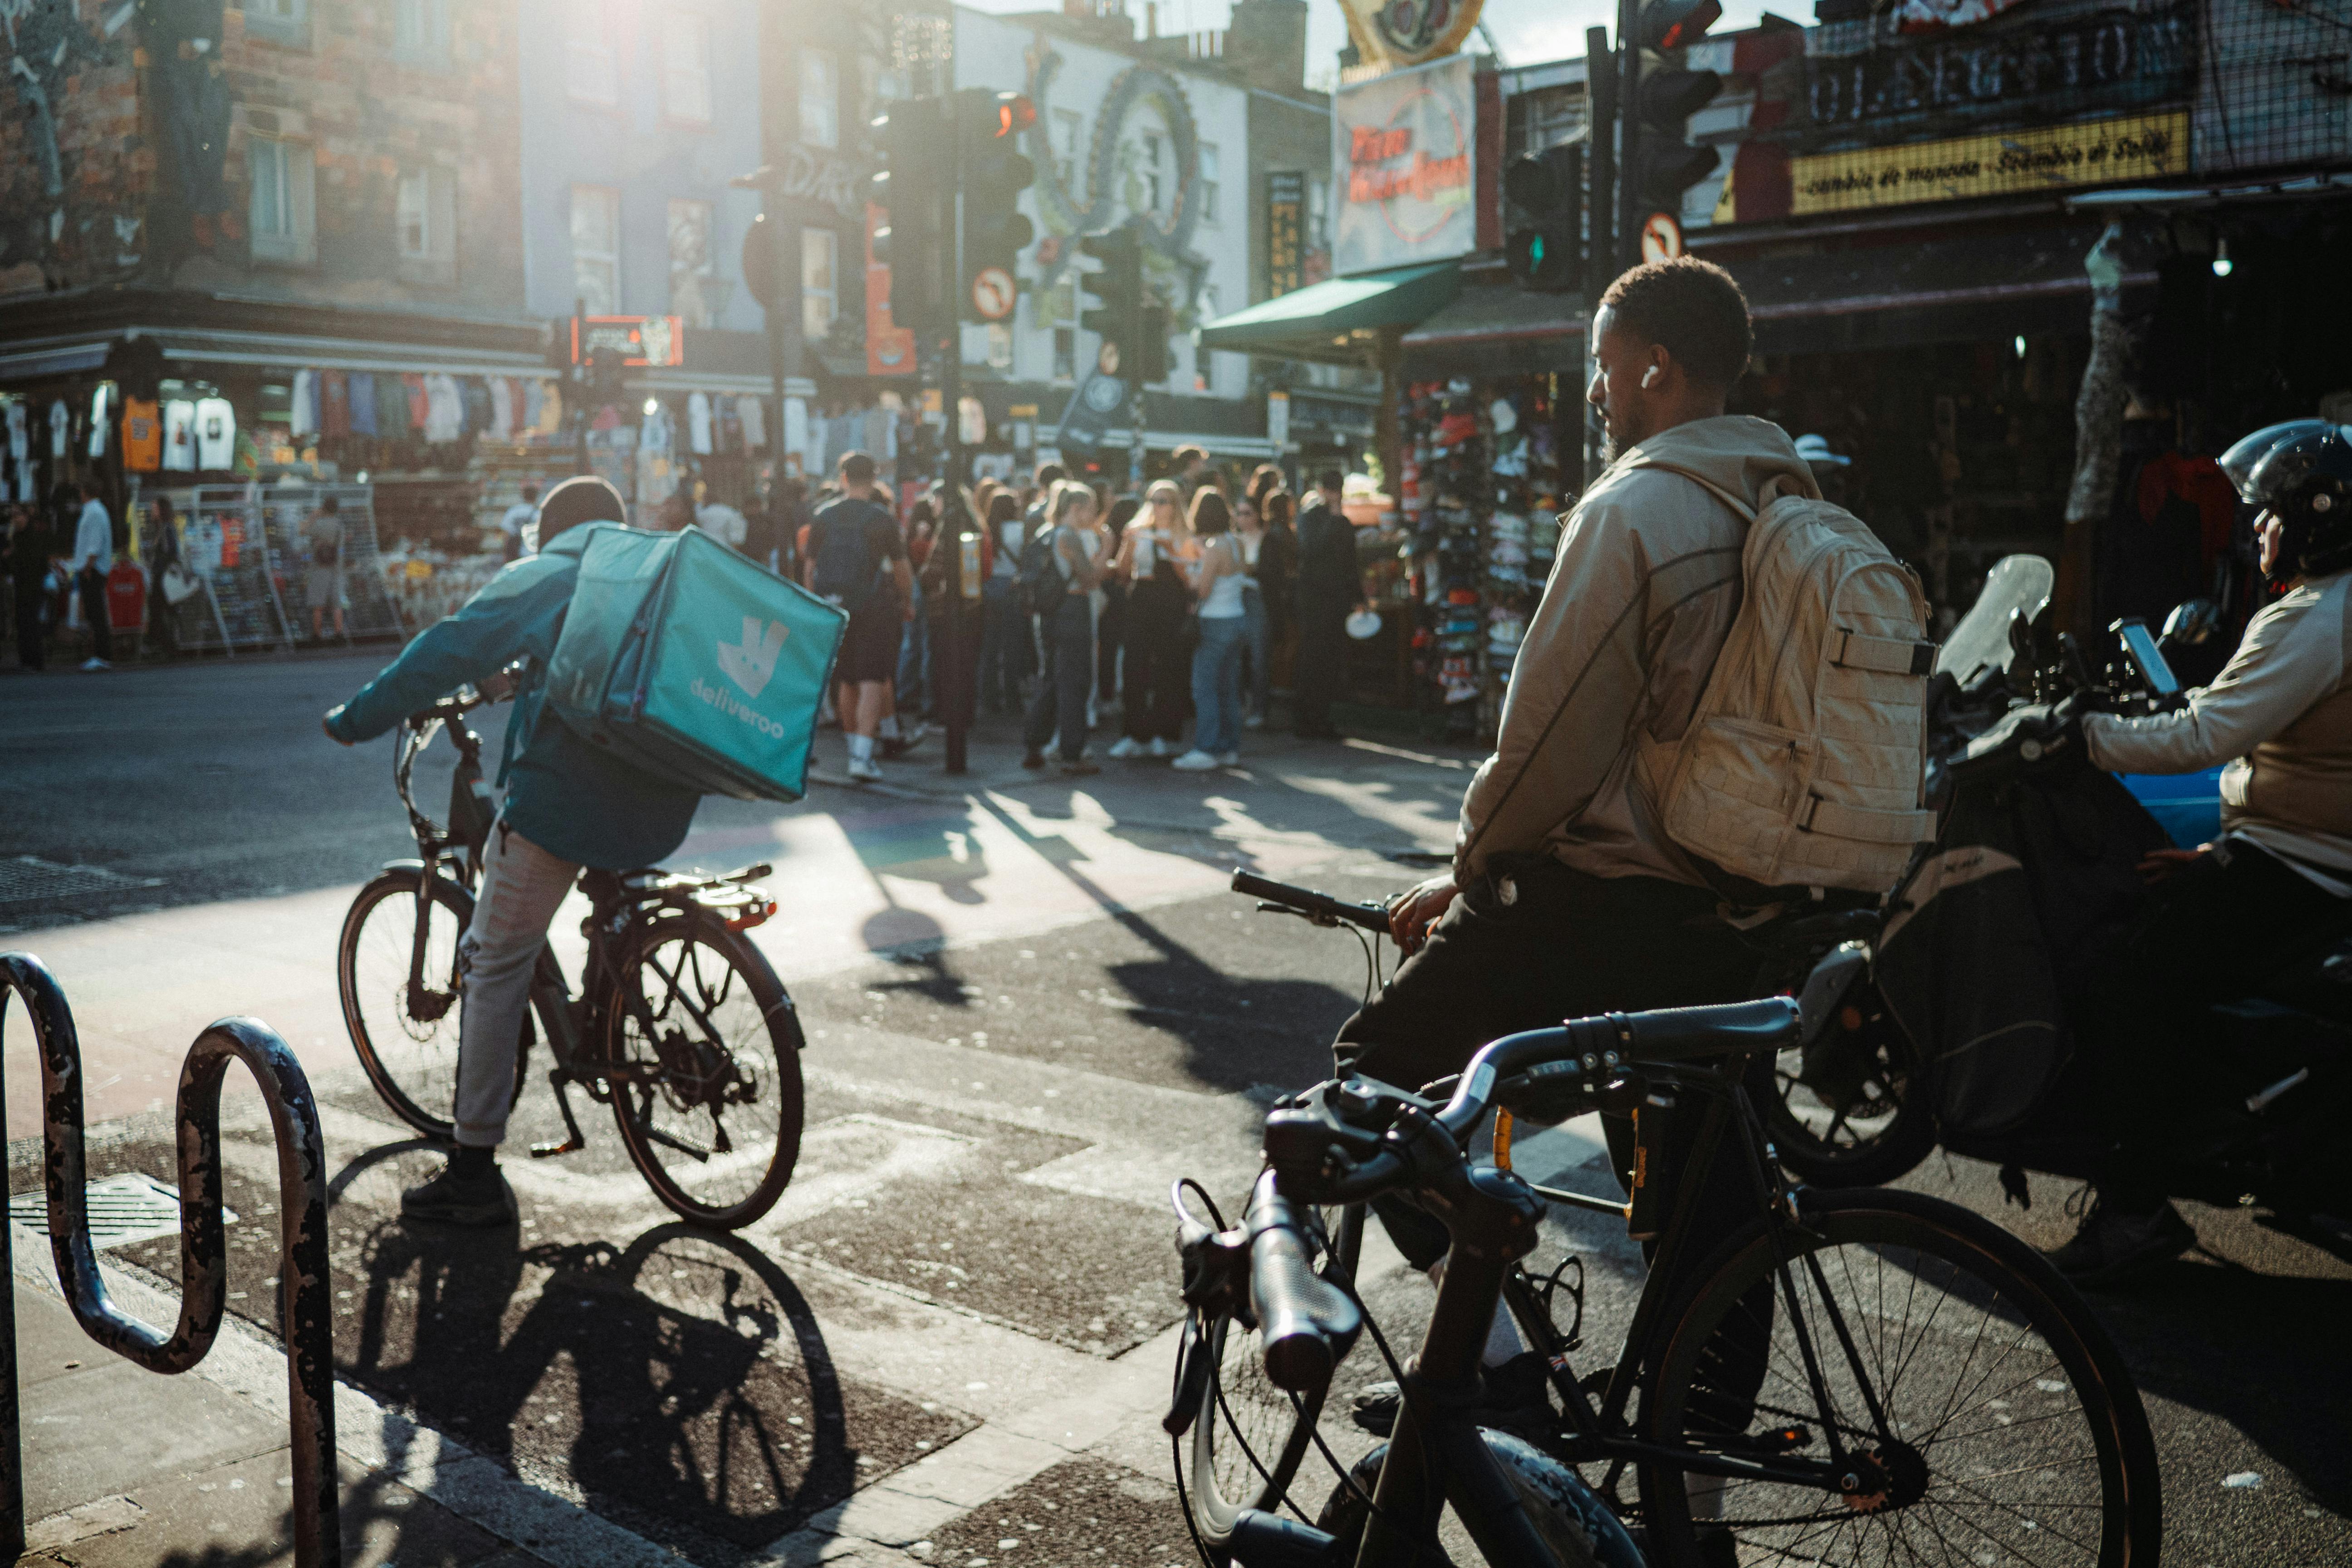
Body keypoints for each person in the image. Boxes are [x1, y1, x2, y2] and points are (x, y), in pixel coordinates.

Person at [1338, 257, 1814, 1434]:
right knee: (1710, 1171)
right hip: (1752, 896)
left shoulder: (1639, 508)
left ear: (1655, 367)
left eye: (1605, 367)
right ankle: (1697, 1425)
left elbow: (1550, 736)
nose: (1597, 392)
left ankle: (1493, 1374)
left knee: (1370, 1088)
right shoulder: (1792, 504)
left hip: (1618, 895)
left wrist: (1473, 865)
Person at [322, 476, 702, 1227]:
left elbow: (448, 647)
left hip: (570, 803)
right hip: (664, 798)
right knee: (606, 903)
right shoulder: (648, 576)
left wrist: (357, 717)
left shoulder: (548, 574)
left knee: (494, 960)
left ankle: (472, 1168)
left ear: (546, 532)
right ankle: (610, 1015)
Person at [2053, 418, 2352, 1283]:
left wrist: (2084, 738)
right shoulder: (2326, 608)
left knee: (2119, 976)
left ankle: (2134, 1211)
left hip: (2300, 868)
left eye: (2267, 515)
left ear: (2313, 517)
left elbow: (2207, 732)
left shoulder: (2315, 615)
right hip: (2295, 855)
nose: (2255, 529)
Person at [805, 451, 912, 783]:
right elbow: (901, 568)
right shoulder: (882, 519)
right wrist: (907, 601)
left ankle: (854, 748)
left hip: (835, 607)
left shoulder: (823, 517)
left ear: (844, 477)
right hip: (873, 607)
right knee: (873, 680)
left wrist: (819, 605)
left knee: (847, 681)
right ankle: (861, 757)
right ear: (875, 477)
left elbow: (809, 569)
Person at [1021, 480, 1107, 776]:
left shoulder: (1046, 533)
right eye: (1092, 509)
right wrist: (1108, 548)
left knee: (1052, 680)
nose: (1095, 516)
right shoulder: (1069, 536)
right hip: (1072, 610)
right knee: (1075, 683)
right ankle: (1073, 753)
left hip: (1050, 613)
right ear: (1076, 508)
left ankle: (1035, 743)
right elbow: (1090, 579)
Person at [1107, 480, 1192, 758]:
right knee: (1135, 665)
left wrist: (1171, 549)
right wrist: (1127, 545)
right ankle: (1134, 733)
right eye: (1154, 500)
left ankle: (1162, 732)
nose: (1157, 506)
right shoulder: (1138, 530)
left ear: (1175, 505)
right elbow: (1121, 571)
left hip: (1170, 599)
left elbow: (1188, 578)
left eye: (1164, 501)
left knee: (1168, 667)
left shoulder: (1183, 534)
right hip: (1141, 596)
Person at [1174, 489, 1247, 771]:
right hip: (1237, 616)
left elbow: (1202, 589)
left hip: (1215, 621)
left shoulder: (1216, 548)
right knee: (1228, 687)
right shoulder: (1236, 543)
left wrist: (1191, 574)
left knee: (1204, 687)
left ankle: (1205, 748)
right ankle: (1229, 747)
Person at [1290, 469, 1353, 738]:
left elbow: (1351, 562)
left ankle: (1323, 717)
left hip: (1336, 601)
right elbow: (1310, 549)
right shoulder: (1309, 519)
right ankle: (1305, 719)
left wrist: (1358, 597)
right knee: (1312, 659)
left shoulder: (1344, 523)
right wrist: (1332, 519)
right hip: (1313, 600)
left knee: (1330, 661)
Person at [978, 490, 1029, 713]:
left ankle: (988, 699)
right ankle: (1013, 699)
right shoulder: (1020, 530)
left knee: (989, 647)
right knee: (1012, 647)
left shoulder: (986, 532)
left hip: (990, 589)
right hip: (1012, 589)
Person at [1256, 490, 1299, 723]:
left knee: (1279, 649)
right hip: (1282, 601)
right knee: (1281, 648)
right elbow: (1273, 573)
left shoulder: (1276, 534)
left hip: (1278, 600)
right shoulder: (1279, 535)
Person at [1232, 493, 1274, 730]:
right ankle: (1239, 705)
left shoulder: (1267, 540)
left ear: (1258, 515)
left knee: (1259, 656)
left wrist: (1250, 570)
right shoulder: (1233, 539)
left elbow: (1270, 575)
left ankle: (1260, 709)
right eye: (1239, 513)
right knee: (1236, 655)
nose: (1243, 518)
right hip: (1235, 598)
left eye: (1247, 513)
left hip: (1257, 599)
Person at [65, 481, 113, 671]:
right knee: (94, 614)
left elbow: (95, 542)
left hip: (92, 569)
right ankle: (100, 655)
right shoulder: (93, 510)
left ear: (85, 492)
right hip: (90, 568)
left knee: (96, 613)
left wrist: (88, 566)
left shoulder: (95, 512)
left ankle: (103, 656)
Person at [8, 503, 51, 671]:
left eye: (17, 515)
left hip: (32, 584)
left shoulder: (33, 536)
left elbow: (35, 561)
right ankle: (26, 658)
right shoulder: (17, 536)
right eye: (13, 516)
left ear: (26, 516)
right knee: (23, 622)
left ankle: (35, 660)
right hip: (21, 583)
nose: (15, 519)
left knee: (31, 622)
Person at [304, 495, 346, 642]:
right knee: (336, 603)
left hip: (320, 568)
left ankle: (317, 635)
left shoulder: (320, 524)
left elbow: (302, 530)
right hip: (336, 567)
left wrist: (313, 516)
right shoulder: (340, 525)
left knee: (318, 604)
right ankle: (339, 633)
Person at [498, 482, 539, 563]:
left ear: (523, 496)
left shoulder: (514, 511)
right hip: (532, 554)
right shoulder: (539, 514)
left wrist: (505, 554)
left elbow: (506, 534)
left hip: (514, 554)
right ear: (536, 497)